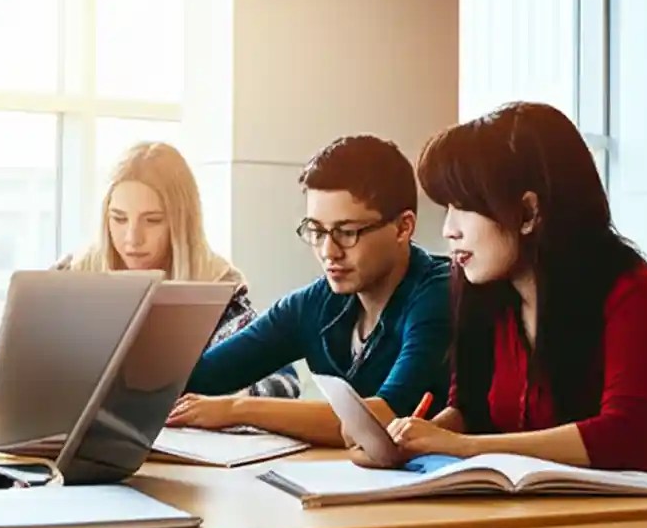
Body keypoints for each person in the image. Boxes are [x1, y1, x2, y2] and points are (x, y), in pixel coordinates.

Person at [377, 101, 647, 482]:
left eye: (464, 207)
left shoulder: (636, 293)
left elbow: (627, 438)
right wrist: (413, 441)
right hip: (548, 515)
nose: (449, 229)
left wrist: (465, 448)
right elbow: (468, 410)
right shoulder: (485, 294)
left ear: (528, 213)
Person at [168, 135, 451, 446]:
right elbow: (200, 377)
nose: (329, 251)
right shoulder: (315, 303)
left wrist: (238, 408)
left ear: (403, 227)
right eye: (316, 230)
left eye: (347, 232)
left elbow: (383, 418)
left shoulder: (439, 292)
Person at [0, 142, 299, 404]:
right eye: (118, 218)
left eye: (152, 220)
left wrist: (175, 395)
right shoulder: (69, 276)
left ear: (180, 223)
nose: (132, 239)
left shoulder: (217, 289)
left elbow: (282, 384)